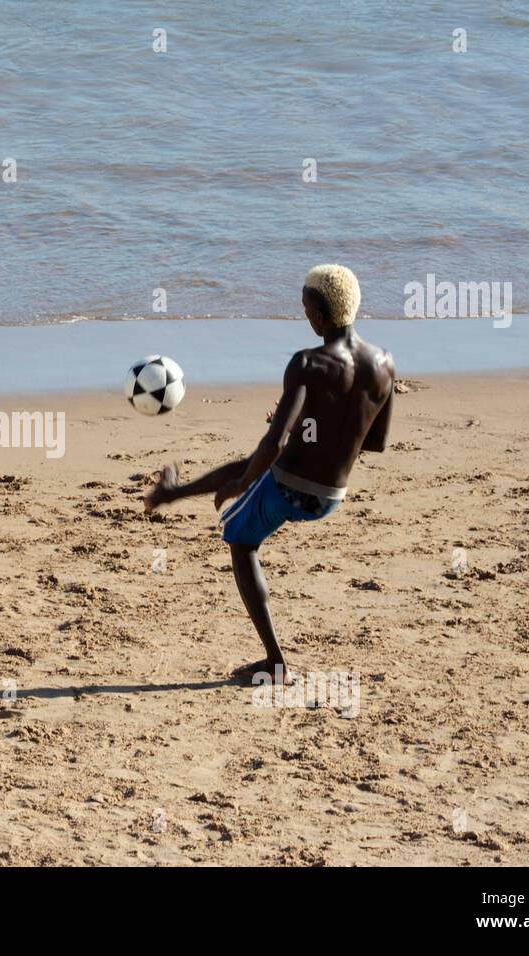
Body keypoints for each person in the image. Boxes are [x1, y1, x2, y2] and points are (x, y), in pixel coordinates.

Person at [144, 265, 395, 684]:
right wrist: (305, 430)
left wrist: (238, 486)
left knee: (240, 539)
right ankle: (172, 492)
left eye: (305, 308)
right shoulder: (385, 363)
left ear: (319, 311)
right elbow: (375, 442)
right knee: (256, 463)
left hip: (292, 490)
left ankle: (275, 662)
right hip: (332, 494)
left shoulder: (307, 362)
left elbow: (275, 443)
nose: (305, 316)